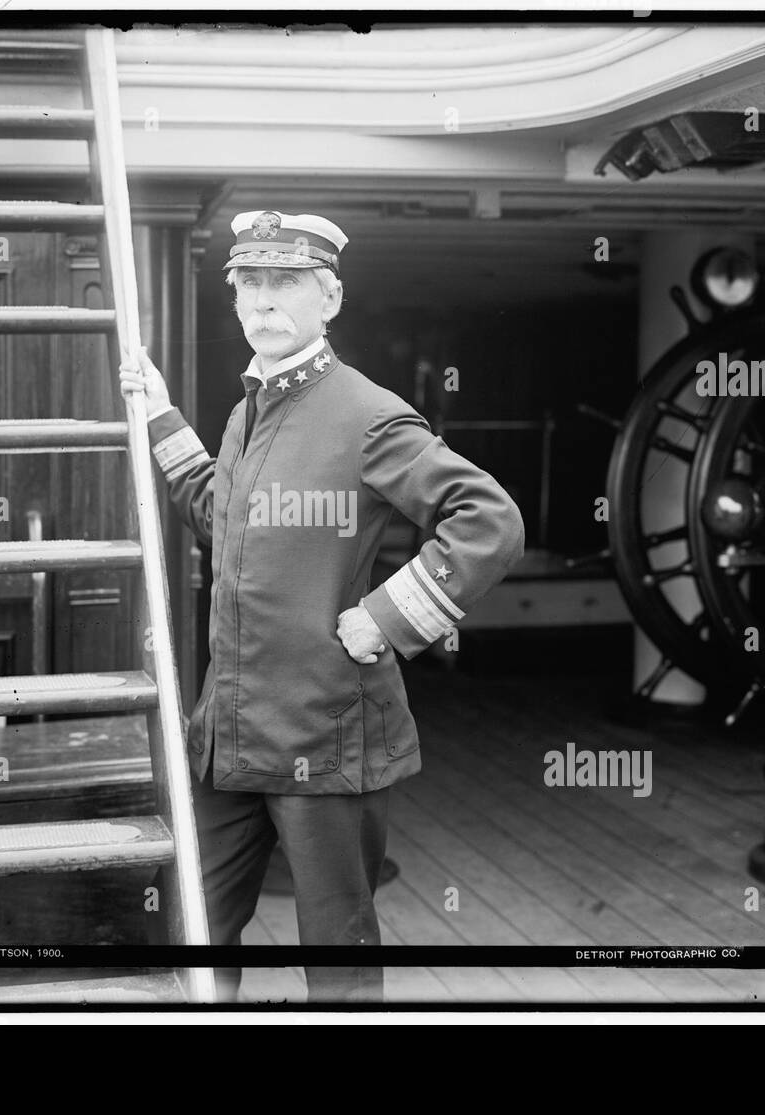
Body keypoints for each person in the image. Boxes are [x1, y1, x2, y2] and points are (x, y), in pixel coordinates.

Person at [120, 210, 525, 1002]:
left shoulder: (367, 414)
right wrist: (163, 418)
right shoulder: (247, 410)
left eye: (286, 282)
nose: (264, 301)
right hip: (229, 734)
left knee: (336, 963)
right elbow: (221, 514)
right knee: (192, 931)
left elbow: (490, 520)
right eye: (250, 283)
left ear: (329, 297)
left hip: (325, 736)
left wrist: (389, 614)